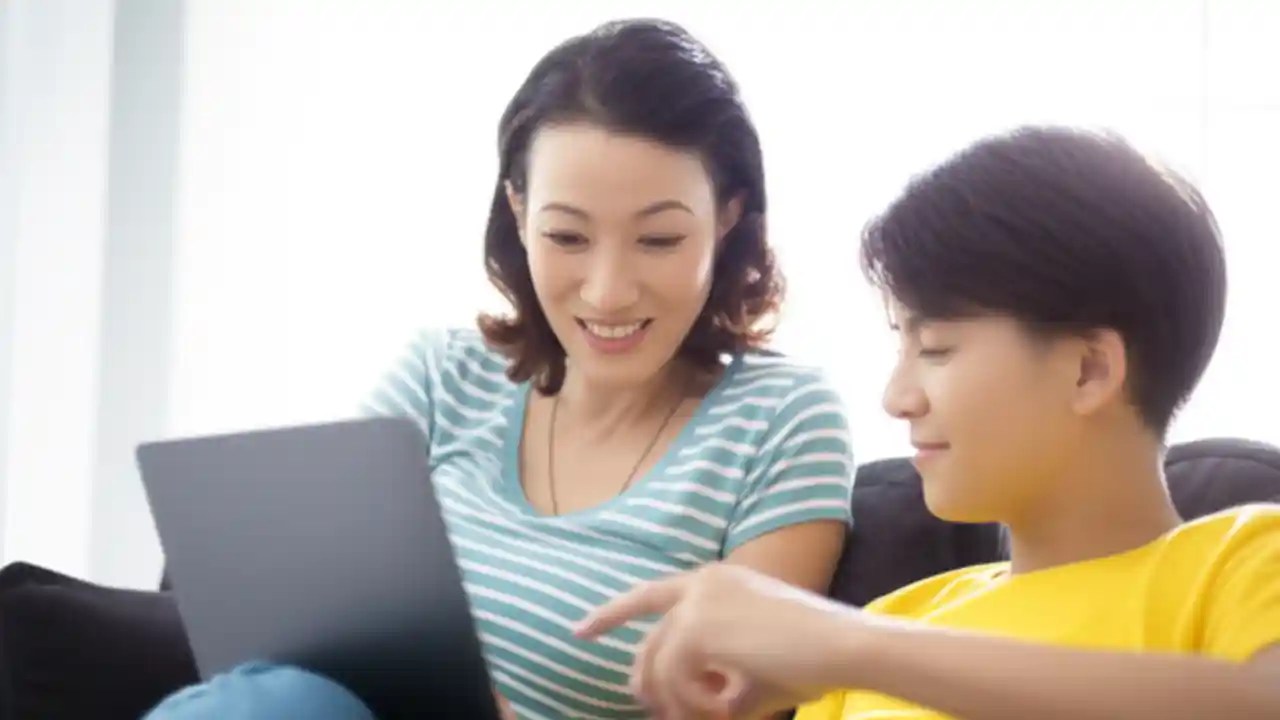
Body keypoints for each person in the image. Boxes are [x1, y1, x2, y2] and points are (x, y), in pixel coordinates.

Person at [145, 18, 856, 720]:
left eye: (659, 239)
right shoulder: (440, 375)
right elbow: (304, 619)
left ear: (729, 215)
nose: (607, 290)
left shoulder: (782, 422)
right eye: (567, 236)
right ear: (518, 214)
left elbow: (736, 708)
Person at [577, 126, 1280, 719]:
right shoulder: (893, 619)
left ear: (1088, 370)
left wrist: (847, 647)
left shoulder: (1242, 560)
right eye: (901, 346)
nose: (897, 396)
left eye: (937, 348)